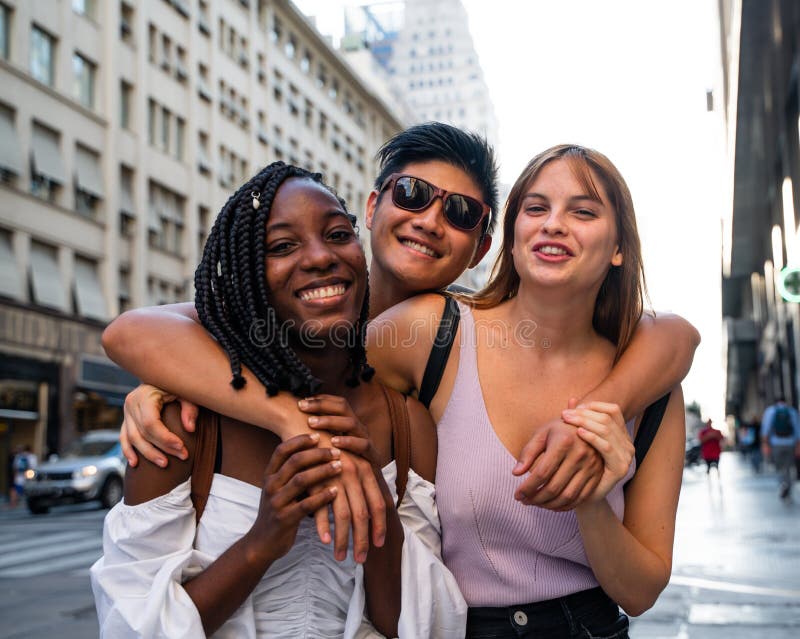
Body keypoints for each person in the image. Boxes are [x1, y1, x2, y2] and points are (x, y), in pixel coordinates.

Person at [108, 124, 699, 551]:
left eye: (462, 213)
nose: (429, 221)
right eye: (413, 195)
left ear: (484, 246)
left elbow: (674, 334)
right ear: (373, 205)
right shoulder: (299, 317)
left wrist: (598, 413)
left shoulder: (462, 335)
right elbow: (137, 332)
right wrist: (187, 385)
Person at [90, 163, 466, 637]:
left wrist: (374, 498)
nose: (319, 257)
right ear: (247, 279)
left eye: (336, 234)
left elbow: (419, 625)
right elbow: (131, 626)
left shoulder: (407, 422)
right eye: (282, 246)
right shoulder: (180, 422)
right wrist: (262, 541)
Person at [366, 144, 686, 636]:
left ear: (619, 247)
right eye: (536, 208)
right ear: (511, 240)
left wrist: (590, 499)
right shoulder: (435, 333)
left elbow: (641, 593)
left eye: (583, 211)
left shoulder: (652, 388)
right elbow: (304, 367)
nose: (554, 224)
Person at [760, 397, 800, 500]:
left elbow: (766, 429)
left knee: (779, 467)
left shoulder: (770, 411)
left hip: (776, 443)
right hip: (790, 443)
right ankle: (788, 486)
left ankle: (783, 484)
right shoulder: (792, 411)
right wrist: (798, 446)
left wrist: (765, 444)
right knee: (789, 467)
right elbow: (797, 430)